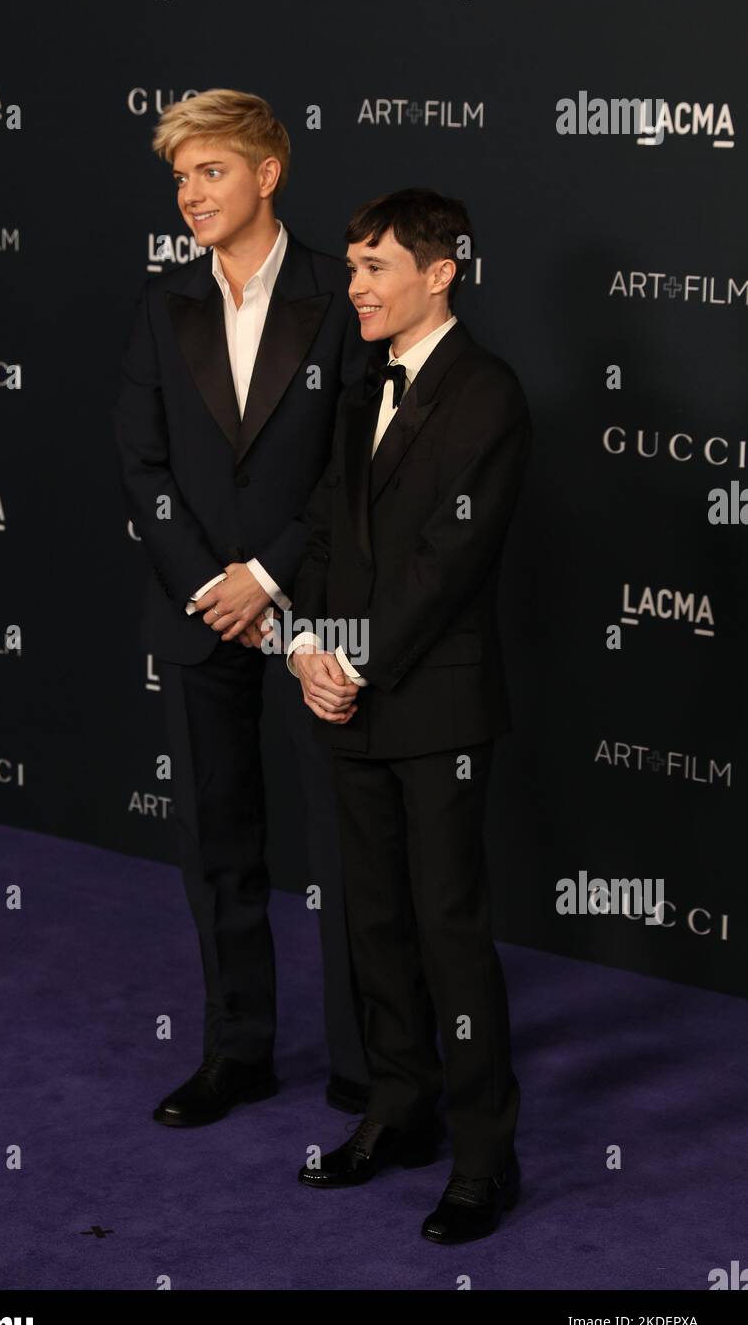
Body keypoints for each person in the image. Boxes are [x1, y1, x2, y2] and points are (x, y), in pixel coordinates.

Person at [113, 88, 371, 1129]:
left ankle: (368, 1068)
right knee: (217, 835)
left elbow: (353, 462)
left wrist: (263, 576)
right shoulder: (163, 300)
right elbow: (140, 458)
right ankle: (237, 1052)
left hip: (319, 602)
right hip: (195, 604)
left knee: (346, 841)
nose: (189, 194)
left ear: (269, 174)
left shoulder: (336, 289)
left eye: (209, 171)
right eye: (180, 177)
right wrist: (206, 584)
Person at [287, 188, 531, 1243]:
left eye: (373, 267)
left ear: (439, 271)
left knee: (446, 931)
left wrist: (350, 654)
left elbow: (444, 566)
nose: (354, 289)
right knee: (372, 920)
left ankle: (484, 1156)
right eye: (348, 270)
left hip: (434, 710)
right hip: (344, 702)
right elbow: (315, 537)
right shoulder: (354, 390)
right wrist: (298, 645)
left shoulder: (487, 394)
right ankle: (399, 1110)